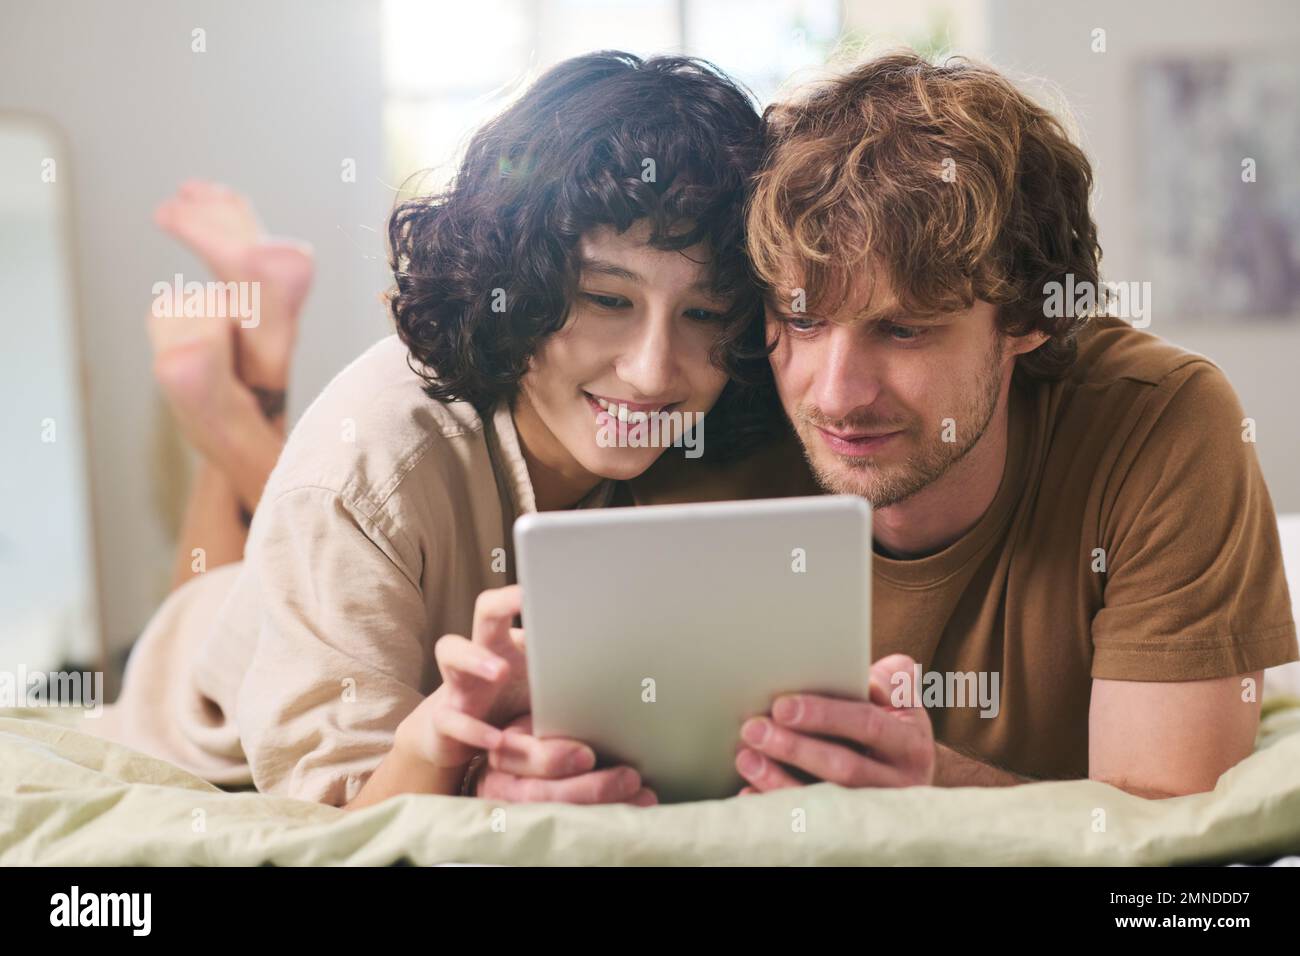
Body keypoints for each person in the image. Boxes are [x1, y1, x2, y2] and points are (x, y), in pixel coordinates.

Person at [100, 51, 814, 808]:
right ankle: (235, 412)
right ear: (522, 284)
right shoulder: (369, 461)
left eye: (703, 314)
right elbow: (337, 822)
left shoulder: (725, 441)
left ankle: (246, 379)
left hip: (305, 568)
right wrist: (450, 752)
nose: (651, 371)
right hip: (190, 684)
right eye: (607, 300)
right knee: (248, 567)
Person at [655, 51, 1295, 800]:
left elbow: (1167, 835)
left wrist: (927, 785)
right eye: (801, 319)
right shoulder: (700, 412)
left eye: (902, 330)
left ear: (1026, 317)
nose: (836, 395)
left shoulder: (1161, 419)